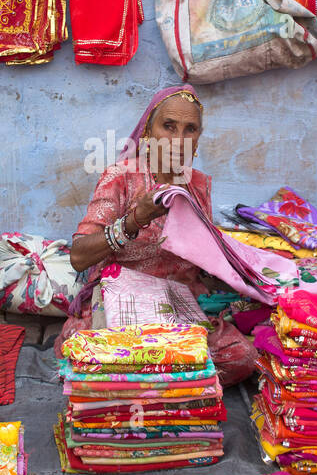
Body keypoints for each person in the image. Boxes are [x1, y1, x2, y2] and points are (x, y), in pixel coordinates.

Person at [57, 85, 257, 386]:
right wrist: (134, 220)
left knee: (242, 357)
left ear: (198, 141)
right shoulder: (121, 177)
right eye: (169, 126)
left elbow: (201, 258)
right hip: (121, 301)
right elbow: (79, 256)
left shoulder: (198, 186)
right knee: (82, 353)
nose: (178, 139)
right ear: (148, 134)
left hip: (177, 305)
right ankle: (173, 384)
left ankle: (144, 384)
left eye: (190, 129)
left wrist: (250, 274)